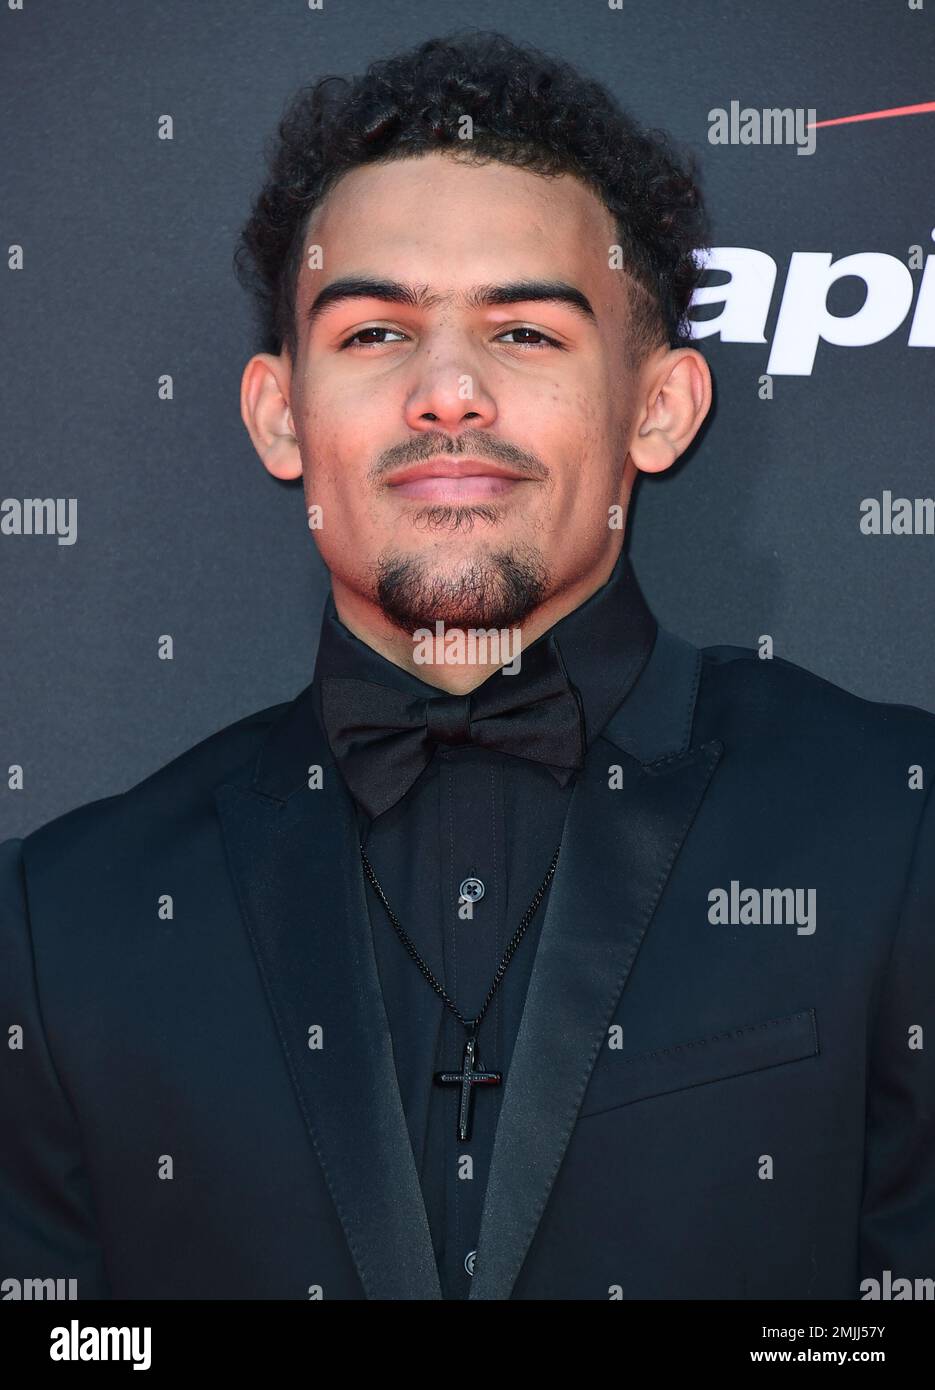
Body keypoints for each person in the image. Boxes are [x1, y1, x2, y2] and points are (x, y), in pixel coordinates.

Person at [1, 30, 933, 1302]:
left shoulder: (893, 831)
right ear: (279, 414)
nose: (447, 393)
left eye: (526, 333)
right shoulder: (65, 925)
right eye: (376, 332)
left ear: (658, 407)